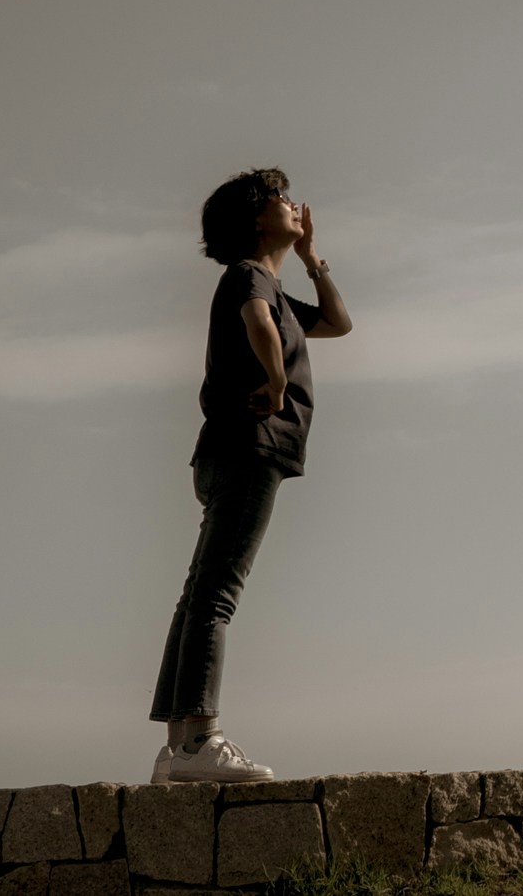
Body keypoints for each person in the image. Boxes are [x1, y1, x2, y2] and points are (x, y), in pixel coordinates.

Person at [144, 166, 351, 783]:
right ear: (257, 217)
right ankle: (200, 741)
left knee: (199, 595)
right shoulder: (248, 275)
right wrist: (279, 380)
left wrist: (314, 258)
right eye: (282, 198)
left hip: (228, 450)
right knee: (216, 597)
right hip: (249, 447)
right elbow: (258, 323)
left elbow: (339, 324)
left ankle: (180, 744)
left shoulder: (273, 286)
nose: (295, 204)